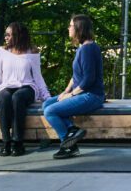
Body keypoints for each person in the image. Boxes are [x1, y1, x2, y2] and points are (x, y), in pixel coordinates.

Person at [42, 14, 105, 160]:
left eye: (71, 26)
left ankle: (68, 144)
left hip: (91, 95)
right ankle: (72, 129)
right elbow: (76, 75)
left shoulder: (88, 49)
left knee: (51, 111)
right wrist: (66, 91)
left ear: (79, 28)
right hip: (81, 93)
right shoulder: (83, 47)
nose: (68, 28)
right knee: (47, 103)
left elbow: (88, 80)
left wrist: (70, 95)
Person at [0, 21, 51, 157]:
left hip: (27, 86)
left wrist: (47, 97)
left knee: (18, 97)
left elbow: (38, 77)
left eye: (9, 34)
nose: (6, 37)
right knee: (4, 98)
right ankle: (6, 141)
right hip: (7, 86)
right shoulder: (2, 51)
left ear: (18, 36)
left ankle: (18, 142)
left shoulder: (32, 52)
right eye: (5, 34)